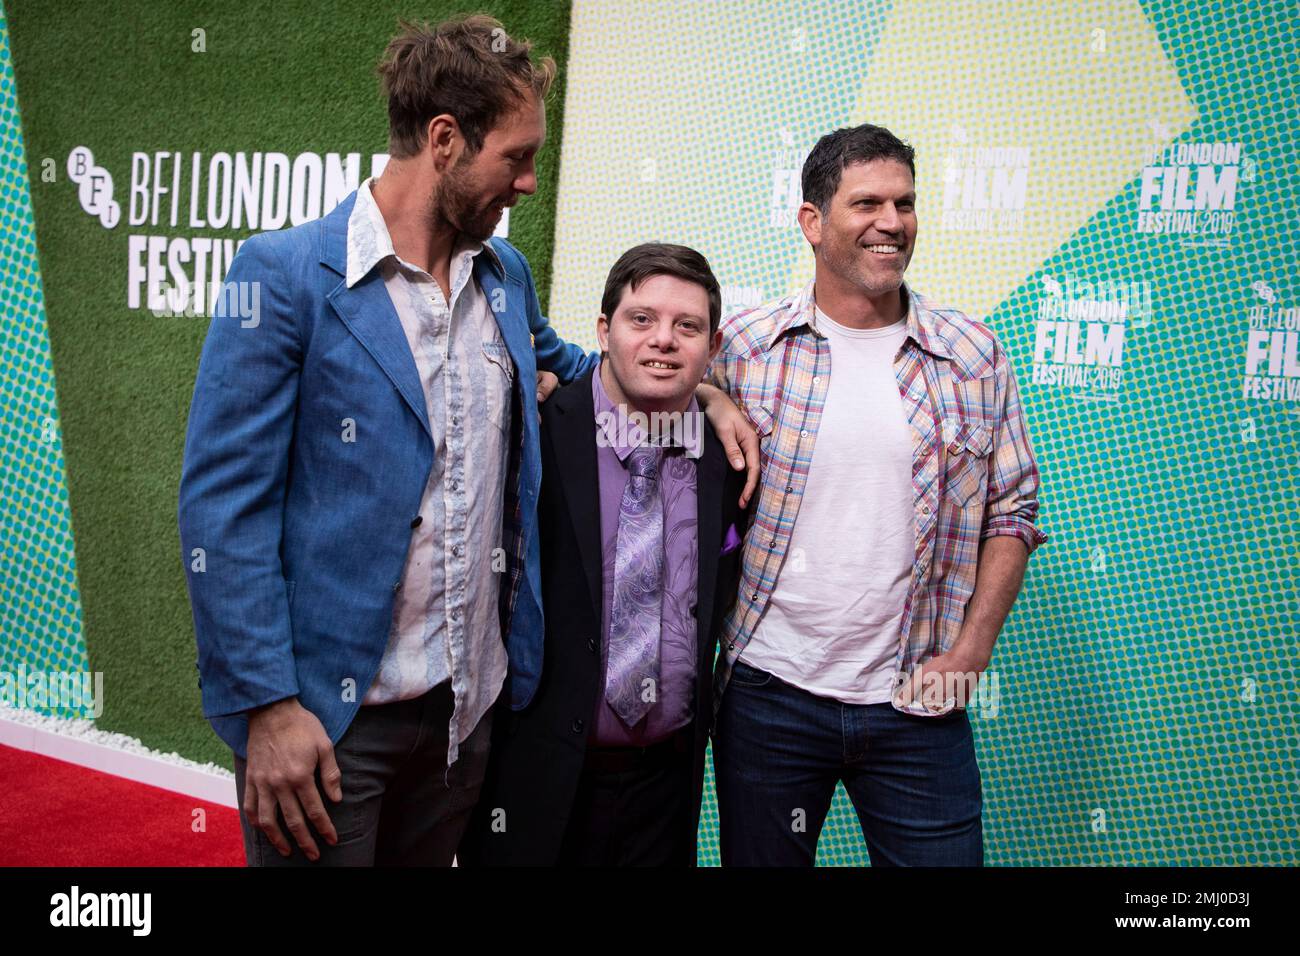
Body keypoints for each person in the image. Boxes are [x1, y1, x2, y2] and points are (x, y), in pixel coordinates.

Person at [178, 15, 755, 867]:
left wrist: (706, 386)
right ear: (445, 141)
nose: (527, 183)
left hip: (468, 720)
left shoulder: (504, 278)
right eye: (516, 158)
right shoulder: (286, 275)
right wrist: (267, 709)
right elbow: (223, 509)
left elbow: (602, 366)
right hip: (330, 728)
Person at [703, 123, 1049, 866]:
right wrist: (708, 393)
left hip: (918, 700)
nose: (891, 222)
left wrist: (972, 650)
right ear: (812, 221)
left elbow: (1013, 511)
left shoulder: (971, 355)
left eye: (904, 203)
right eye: (867, 203)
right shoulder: (745, 346)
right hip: (771, 695)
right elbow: (642, 379)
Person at [460, 244, 747, 866]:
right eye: (641, 319)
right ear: (603, 331)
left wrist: (715, 401)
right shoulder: (532, 429)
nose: (663, 341)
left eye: (687, 326)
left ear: (713, 345)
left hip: (665, 793)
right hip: (534, 781)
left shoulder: (730, 457)